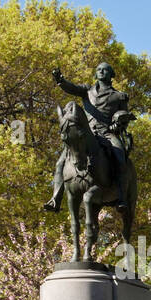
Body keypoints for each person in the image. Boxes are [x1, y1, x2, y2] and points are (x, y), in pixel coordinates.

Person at [47, 63, 135, 213]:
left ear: (111, 74)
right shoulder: (87, 90)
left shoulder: (119, 96)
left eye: (105, 70)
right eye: (99, 70)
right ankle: (55, 198)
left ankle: (121, 197)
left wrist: (117, 125)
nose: (101, 72)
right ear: (96, 74)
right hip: (87, 134)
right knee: (60, 162)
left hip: (107, 134)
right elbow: (71, 87)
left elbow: (124, 118)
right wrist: (60, 80)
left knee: (120, 158)